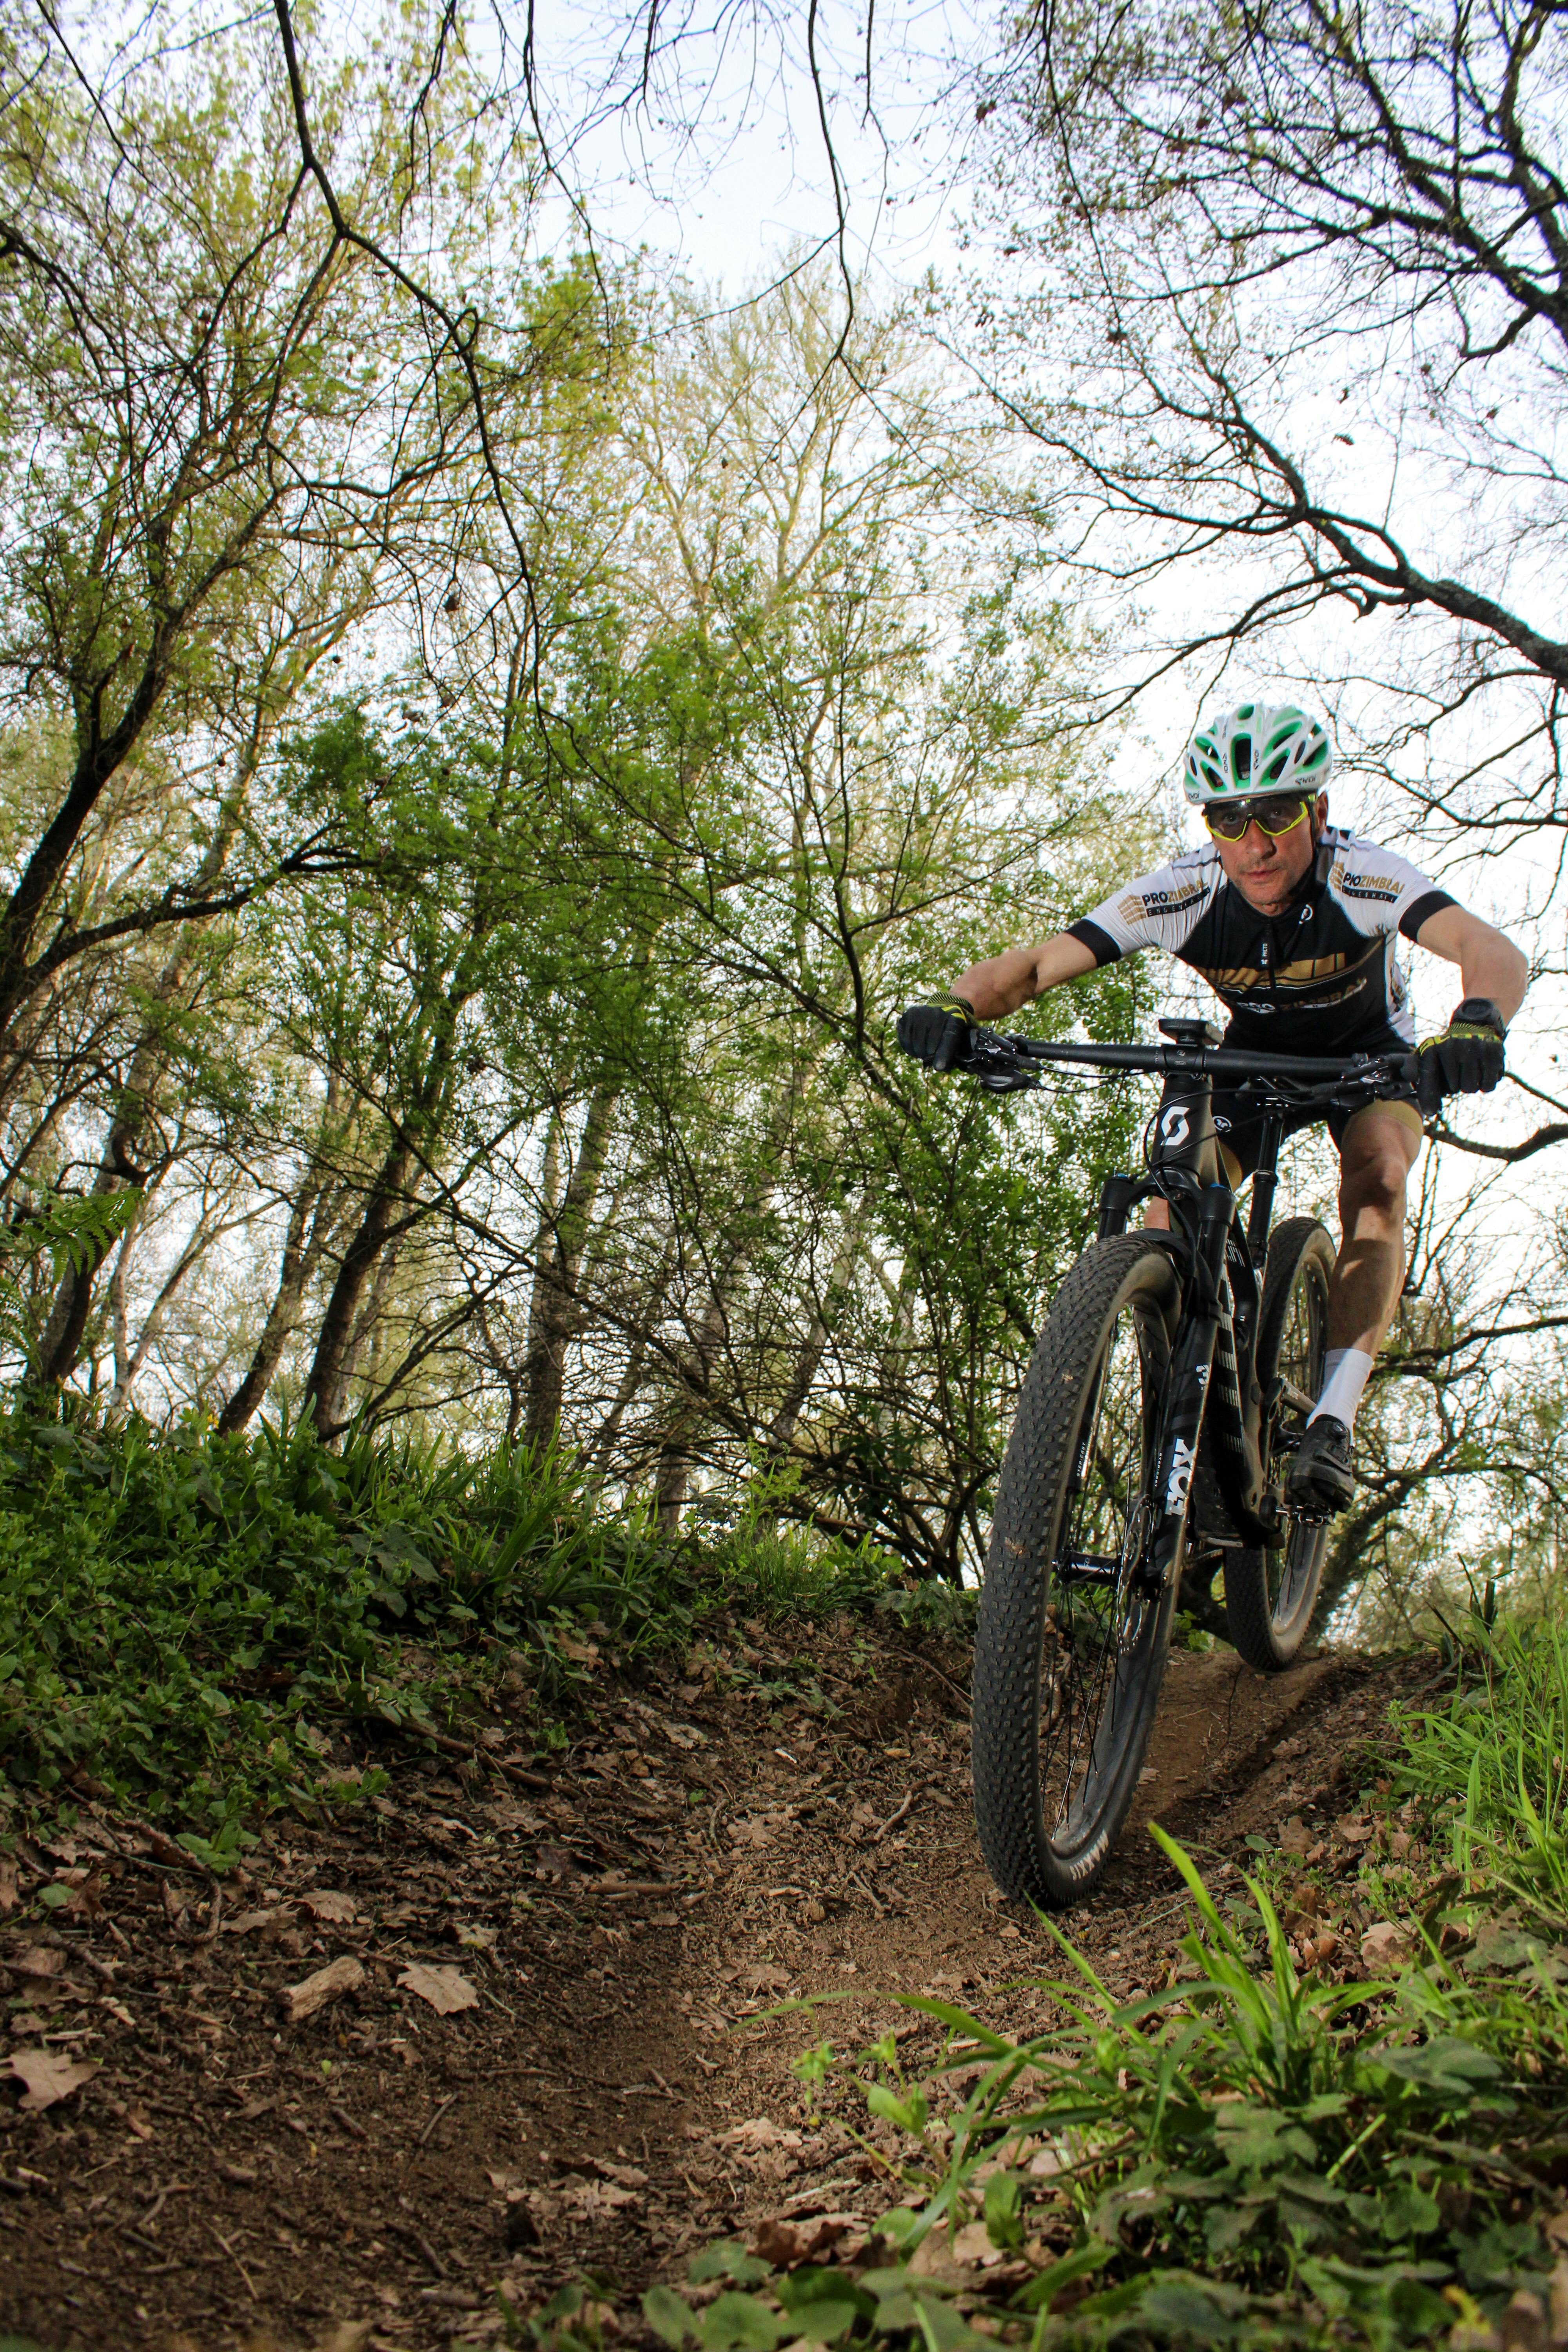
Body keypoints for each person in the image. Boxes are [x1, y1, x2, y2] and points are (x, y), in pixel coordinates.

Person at [898, 701, 1528, 1513]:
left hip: (1365, 1059)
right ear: (1209, 824)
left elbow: (1487, 949)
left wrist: (1476, 1021)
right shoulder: (1185, 890)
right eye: (1229, 818)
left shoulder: (1361, 875)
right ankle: (1189, 1398)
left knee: (1375, 1178)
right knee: (1167, 1207)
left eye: (1276, 812)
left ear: (1317, 810)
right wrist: (953, 1006)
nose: (1254, 843)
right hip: (1249, 1060)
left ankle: (1331, 1421)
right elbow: (1031, 967)